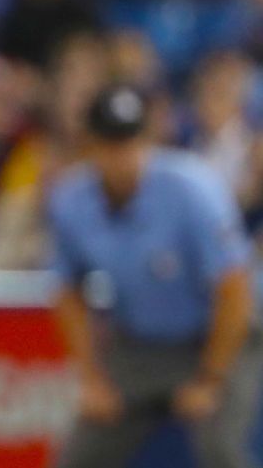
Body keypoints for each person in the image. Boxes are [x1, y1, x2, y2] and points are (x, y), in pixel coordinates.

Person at [49, 84, 263, 468]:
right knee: (78, 457)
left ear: (147, 138)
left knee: (220, 451)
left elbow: (234, 289)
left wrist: (210, 379)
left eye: (131, 141)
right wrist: (91, 377)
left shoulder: (192, 189)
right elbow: (67, 292)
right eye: (111, 143)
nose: (123, 156)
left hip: (219, 339)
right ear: (91, 145)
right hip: (139, 346)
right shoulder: (71, 201)